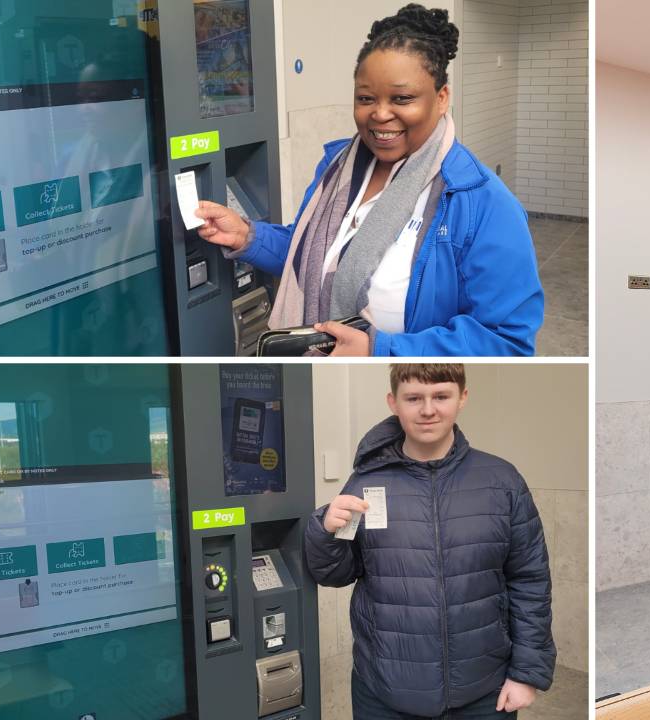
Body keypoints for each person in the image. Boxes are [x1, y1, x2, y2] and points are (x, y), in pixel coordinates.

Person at [195, 5, 543, 356]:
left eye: (402, 98)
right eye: (366, 98)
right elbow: (312, 257)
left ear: (441, 99)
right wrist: (248, 236)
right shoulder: (337, 167)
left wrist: (379, 350)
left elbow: (506, 340)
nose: (379, 114)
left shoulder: (482, 203)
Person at [305, 364, 556, 718]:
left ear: (462, 398)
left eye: (441, 396)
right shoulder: (365, 483)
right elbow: (334, 574)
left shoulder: (503, 481)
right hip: (384, 693)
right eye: (413, 398)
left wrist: (527, 673)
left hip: (485, 691)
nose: (427, 409)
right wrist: (324, 530)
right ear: (393, 402)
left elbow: (530, 581)